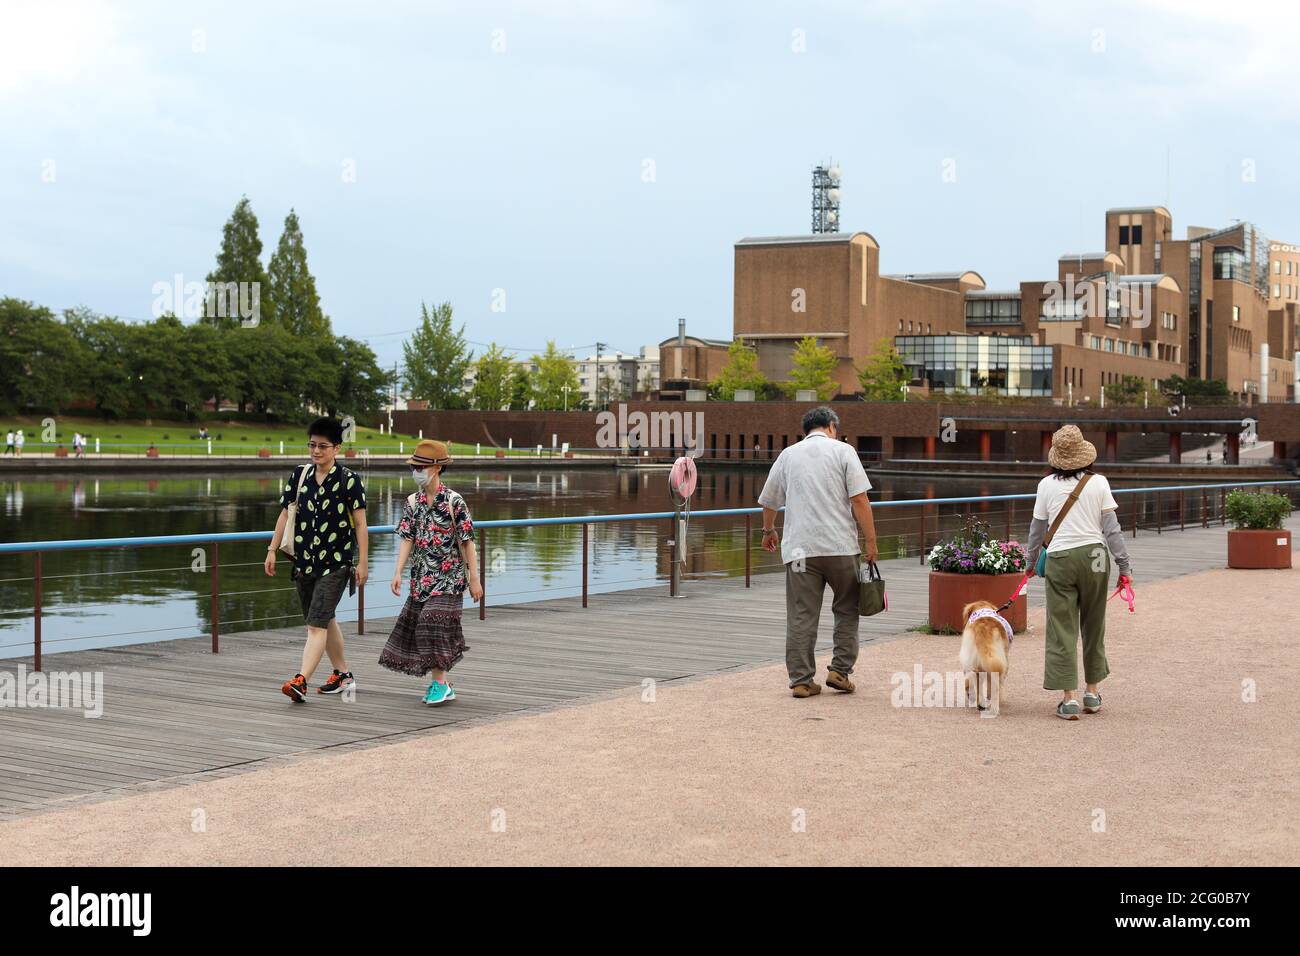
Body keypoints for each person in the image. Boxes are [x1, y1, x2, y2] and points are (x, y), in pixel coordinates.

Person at [758, 406, 879, 698]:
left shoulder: (788, 455)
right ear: (831, 426)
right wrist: (872, 542)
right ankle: (840, 671)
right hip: (840, 548)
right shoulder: (844, 451)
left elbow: (770, 500)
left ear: (807, 429)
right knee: (847, 610)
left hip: (800, 551)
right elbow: (860, 499)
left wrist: (769, 531)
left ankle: (801, 680)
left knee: (801, 614)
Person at [1026, 425, 1132, 720]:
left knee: (1062, 627)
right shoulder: (1099, 483)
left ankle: (1069, 698)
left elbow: (1036, 532)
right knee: (1094, 625)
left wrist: (1030, 564)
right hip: (1096, 557)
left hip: (1060, 558)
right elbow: (1112, 530)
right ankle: (1093, 693)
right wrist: (1125, 567)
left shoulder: (1045, 486)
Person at [265, 417, 369, 702]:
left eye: (323, 446)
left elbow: (361, 524)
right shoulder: (300, 475)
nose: (316, 451)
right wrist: (272, 549)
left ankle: (301, 681)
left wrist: (362, 562)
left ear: (337, 448)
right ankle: (343, 675)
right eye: (312, 445)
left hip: (336, 563)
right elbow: (286, 513)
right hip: (304, 562)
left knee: (315, 625)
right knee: (325, 618)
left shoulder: (349, 480)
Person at [379, 440, 482, 705]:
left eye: (420, 466)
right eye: (414, 466)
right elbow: (407, 538)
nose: (416, 471)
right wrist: (397, 572)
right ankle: (443, 683)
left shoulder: (454, 502)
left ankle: (438, 684)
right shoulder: (413, 501)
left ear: (436, 468)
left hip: (450, 578)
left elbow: (468, 541)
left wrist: (474, 579)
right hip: (421, 579)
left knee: (431, 620)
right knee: (423, 626)